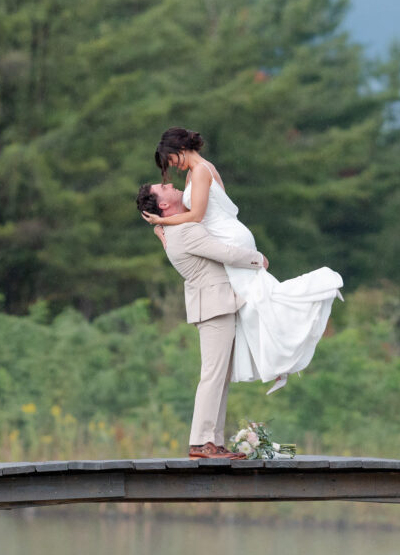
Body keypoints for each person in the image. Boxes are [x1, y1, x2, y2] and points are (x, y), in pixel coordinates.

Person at [140, 128, 342, 394]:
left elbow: (197, 215)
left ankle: (315, 293)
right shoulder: (194, 172)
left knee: (258, 301)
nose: (172, 167)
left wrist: (163, 221)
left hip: (230, 239)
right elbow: (191, 215)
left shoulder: (200, 171)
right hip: (225, 235)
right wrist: (162, 230)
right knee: (253, 305)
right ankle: (277, 362)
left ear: (180, 150)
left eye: (171, 159)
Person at [137, 181, 266, 459]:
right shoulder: (184, 230)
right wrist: (259, 260)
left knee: (219, 377)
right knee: (212, 375)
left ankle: (214, 442)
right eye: (164, 186)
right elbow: (226, 253)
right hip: (214, 306)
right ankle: (201, 443)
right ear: (162, 204)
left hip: (214, 304)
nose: (171, 183)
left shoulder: (172, 230)